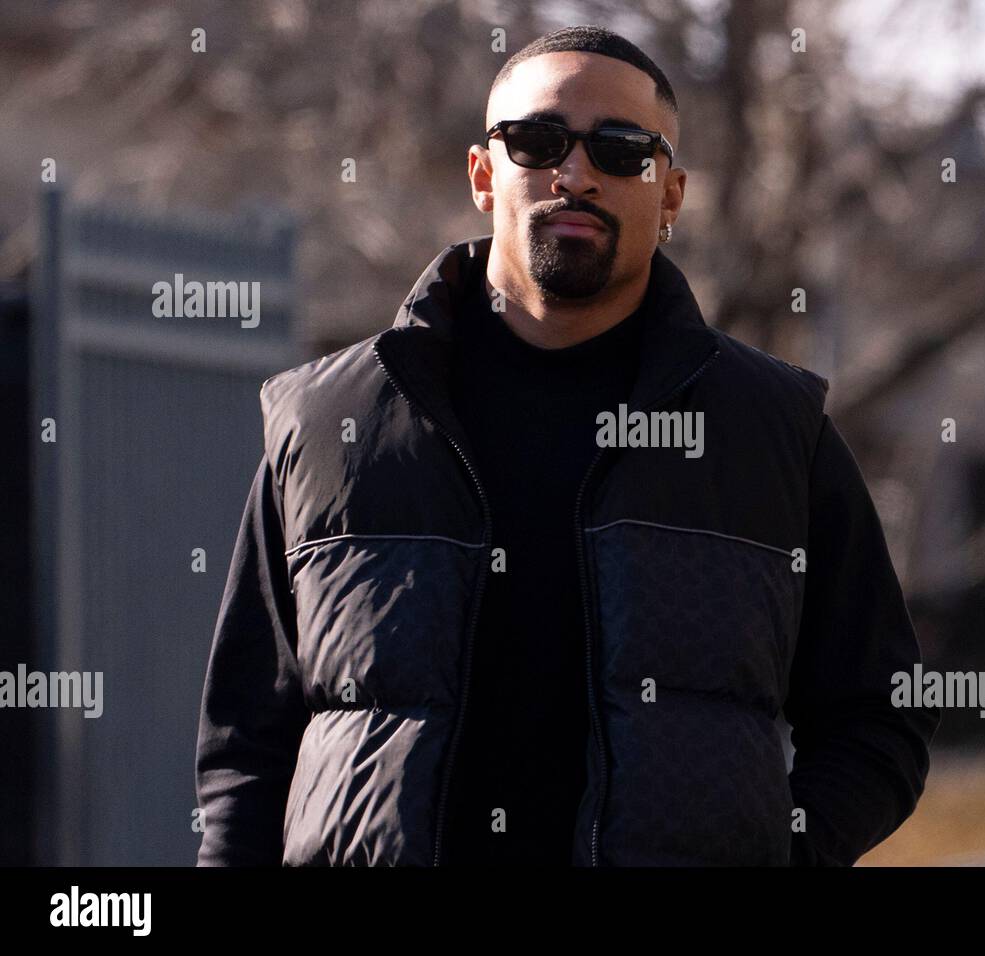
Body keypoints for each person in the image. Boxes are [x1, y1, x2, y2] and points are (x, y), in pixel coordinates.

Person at [195, 24, 939, 867]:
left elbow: (880, 722)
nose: (575, 174)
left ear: (671, 196)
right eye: (537, 140)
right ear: (483, 174)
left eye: (623, 151)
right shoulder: (331, 420)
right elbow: (246, 752)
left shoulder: (774, 430)